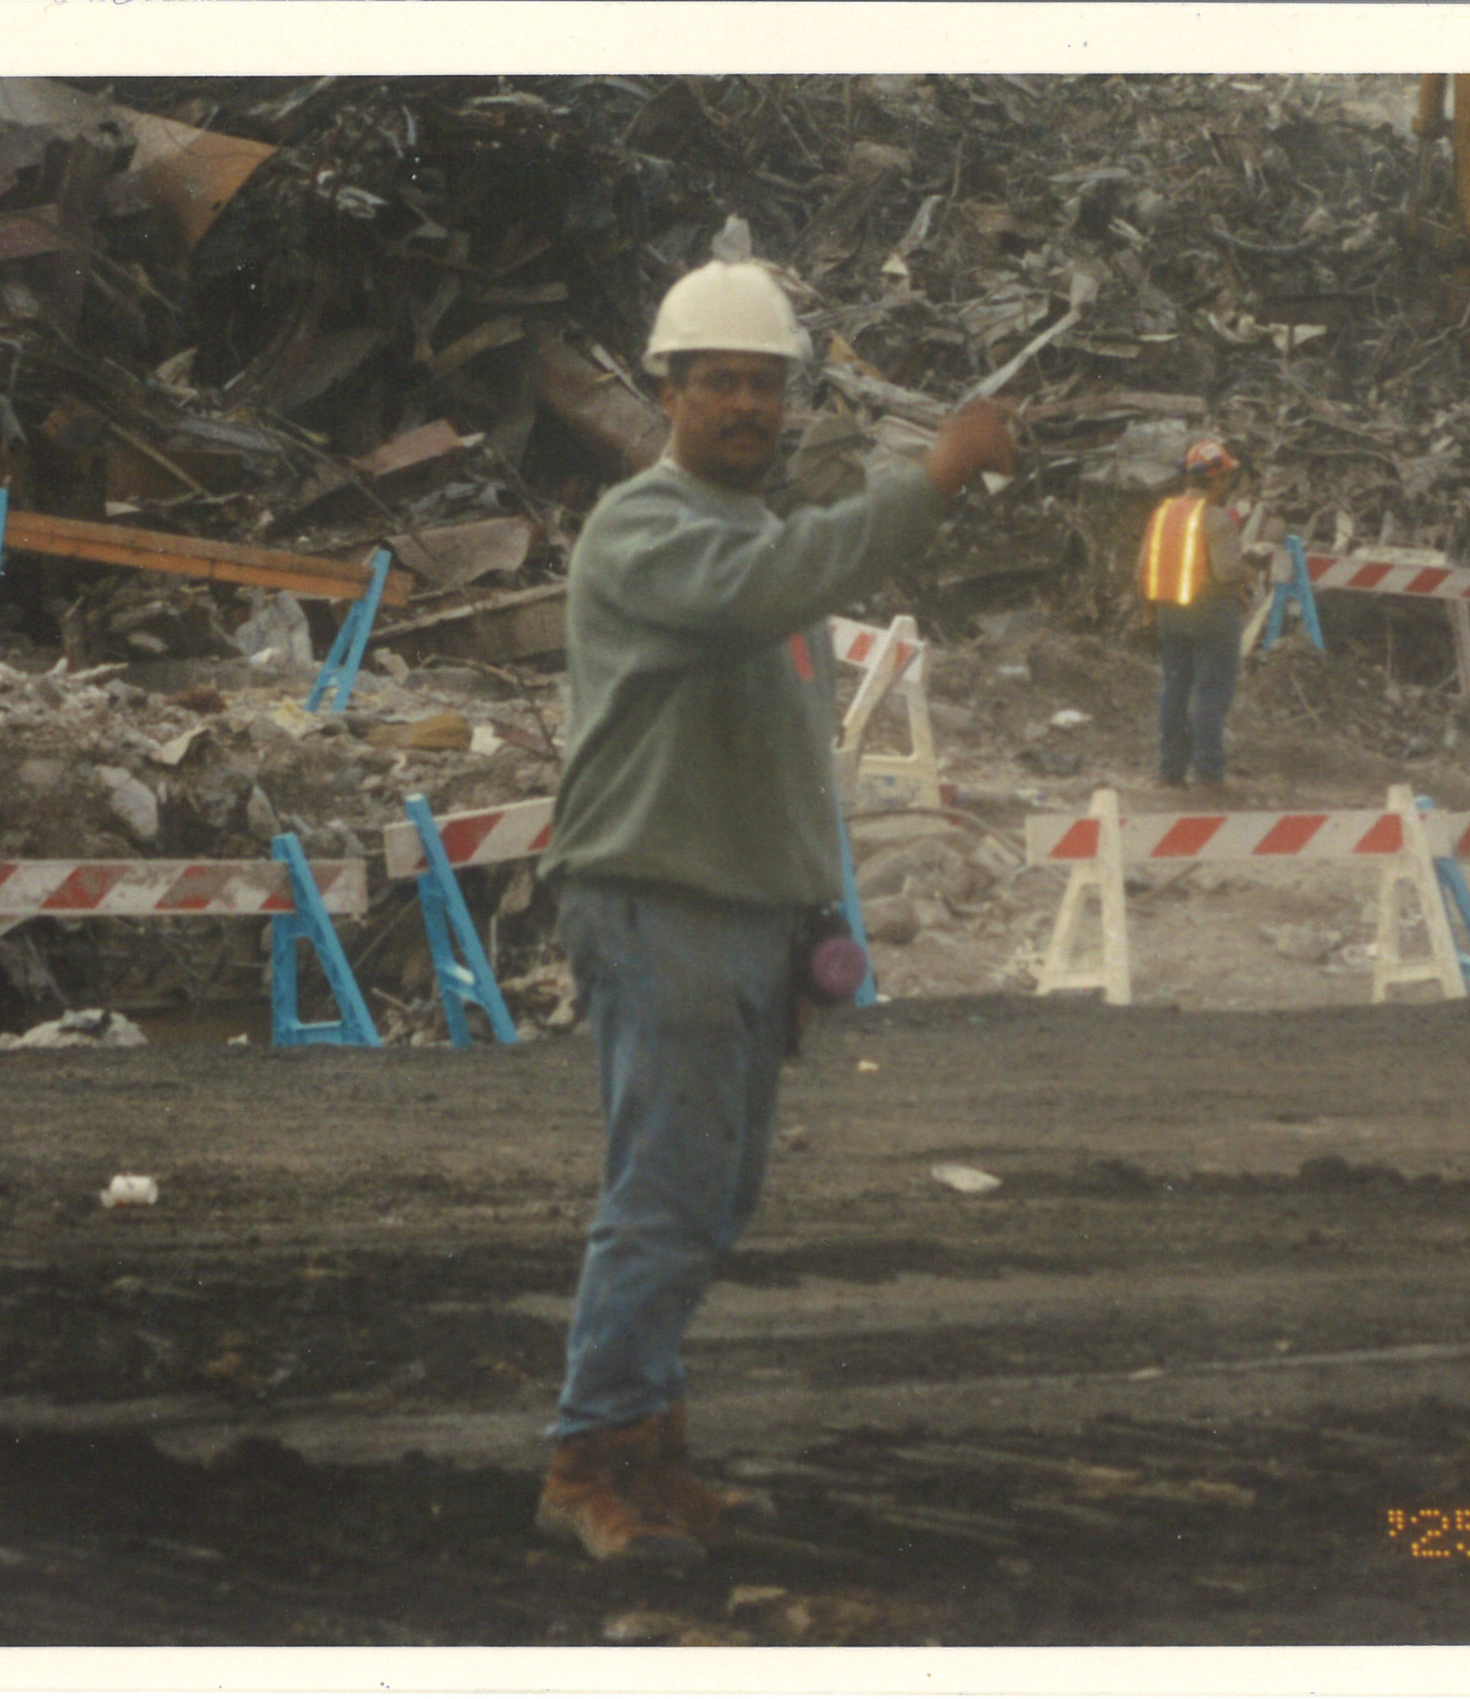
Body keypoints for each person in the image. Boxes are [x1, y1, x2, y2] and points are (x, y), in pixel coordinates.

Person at [533, 258, 1017, 1567]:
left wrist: (813, 923)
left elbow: (794, 739)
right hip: (659, 901)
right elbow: (769, 584)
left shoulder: (755, 536)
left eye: (767, 383)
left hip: (744, 912)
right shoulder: (649, 530)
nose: (749, 404)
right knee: (666, 1191)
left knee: (710, 1193)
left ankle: (651, 1442)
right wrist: (927, 481)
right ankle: (589, 1455)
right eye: (723, 381)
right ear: (670, 389)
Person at [1139, 438, 1252, 789]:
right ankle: (1208, 772)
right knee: (1210, 691)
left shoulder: (1162, 514)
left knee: (1173, 689)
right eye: (1227, 478)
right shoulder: (1216, 519)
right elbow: (1228, 572)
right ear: (1217, 480)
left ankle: (1169, 771)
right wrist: (1251, 571)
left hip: (1170, 612)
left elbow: (1142, 567)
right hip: (1212, 613)